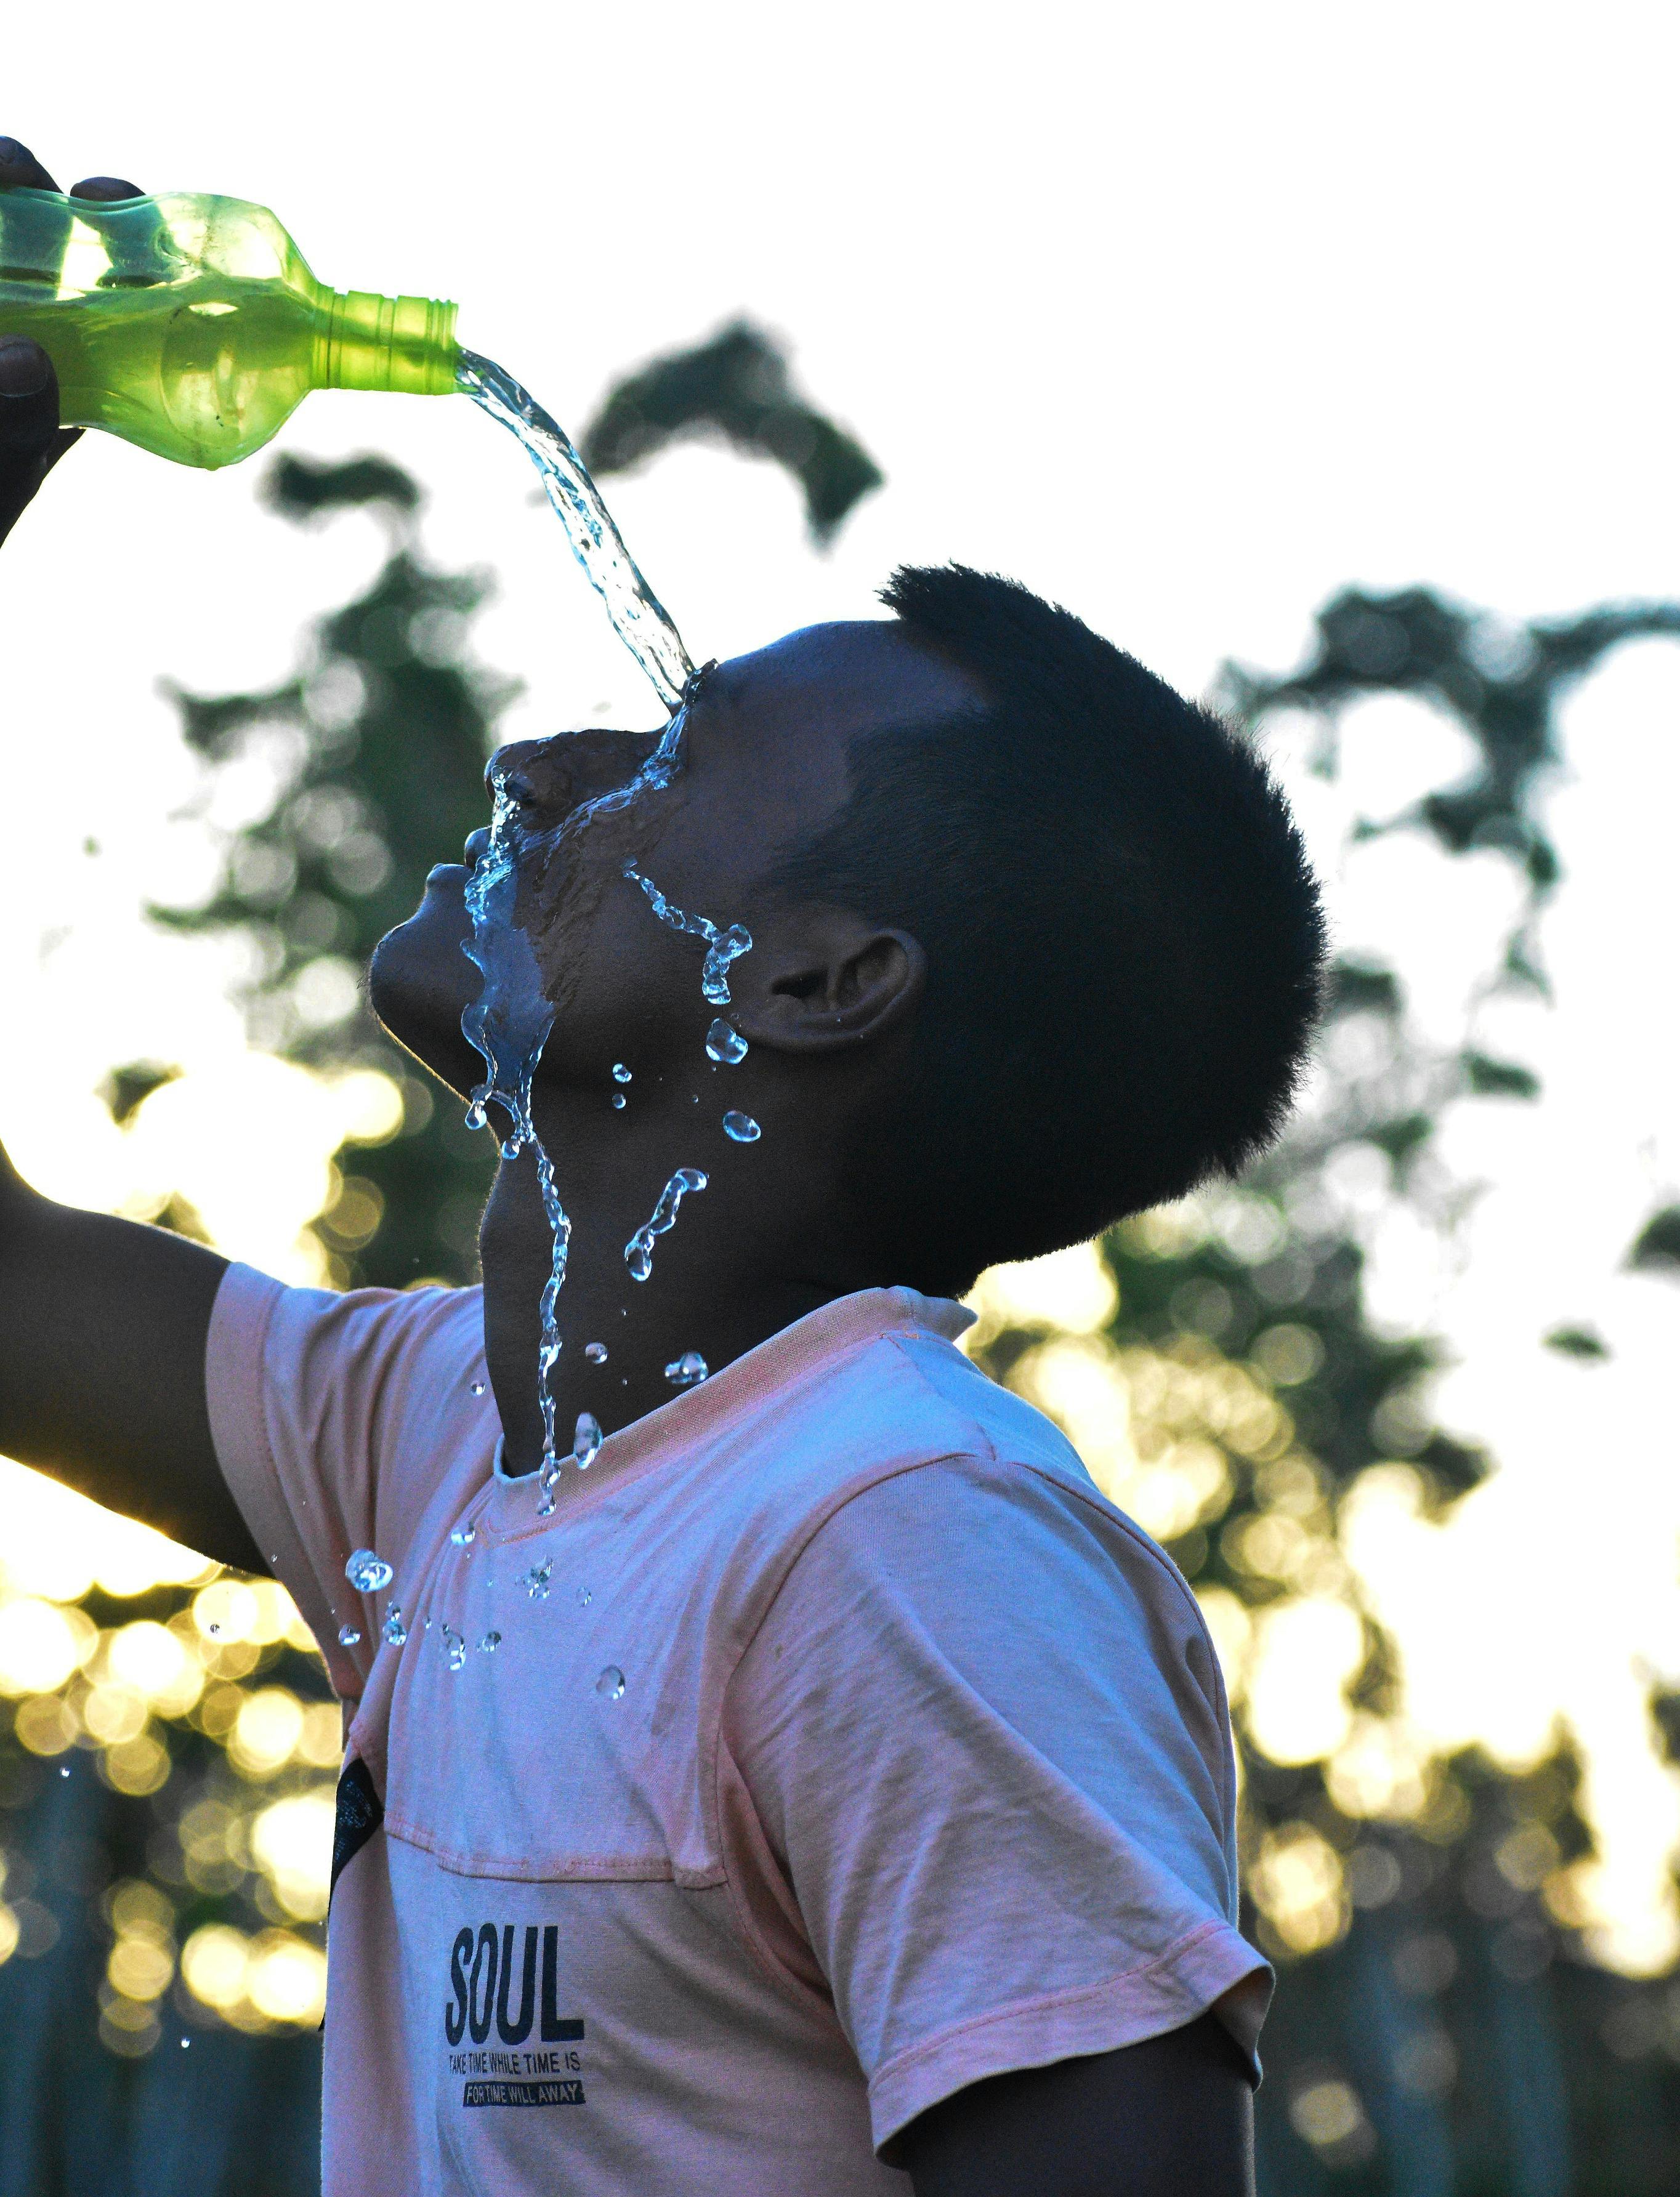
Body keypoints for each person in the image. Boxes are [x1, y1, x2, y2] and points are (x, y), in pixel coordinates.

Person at [0, 136, 1325, 2197]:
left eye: (677, 754)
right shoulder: (467, 1442)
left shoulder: (903, 1555)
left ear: (817, 981)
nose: (543, 766)